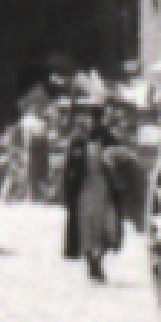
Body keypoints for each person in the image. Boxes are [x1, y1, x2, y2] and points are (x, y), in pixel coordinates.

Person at [60, 100, 123, 282]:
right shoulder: (77, 141)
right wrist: (67, 192)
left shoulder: (108, 139)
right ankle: (92, 263)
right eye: (88, 118)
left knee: (107, 229)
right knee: (86, 229)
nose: (90, 122)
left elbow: (120, 162)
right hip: (84, 191)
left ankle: (98, 260)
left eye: (94, 118)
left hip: (105, 189)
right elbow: (69, 168)